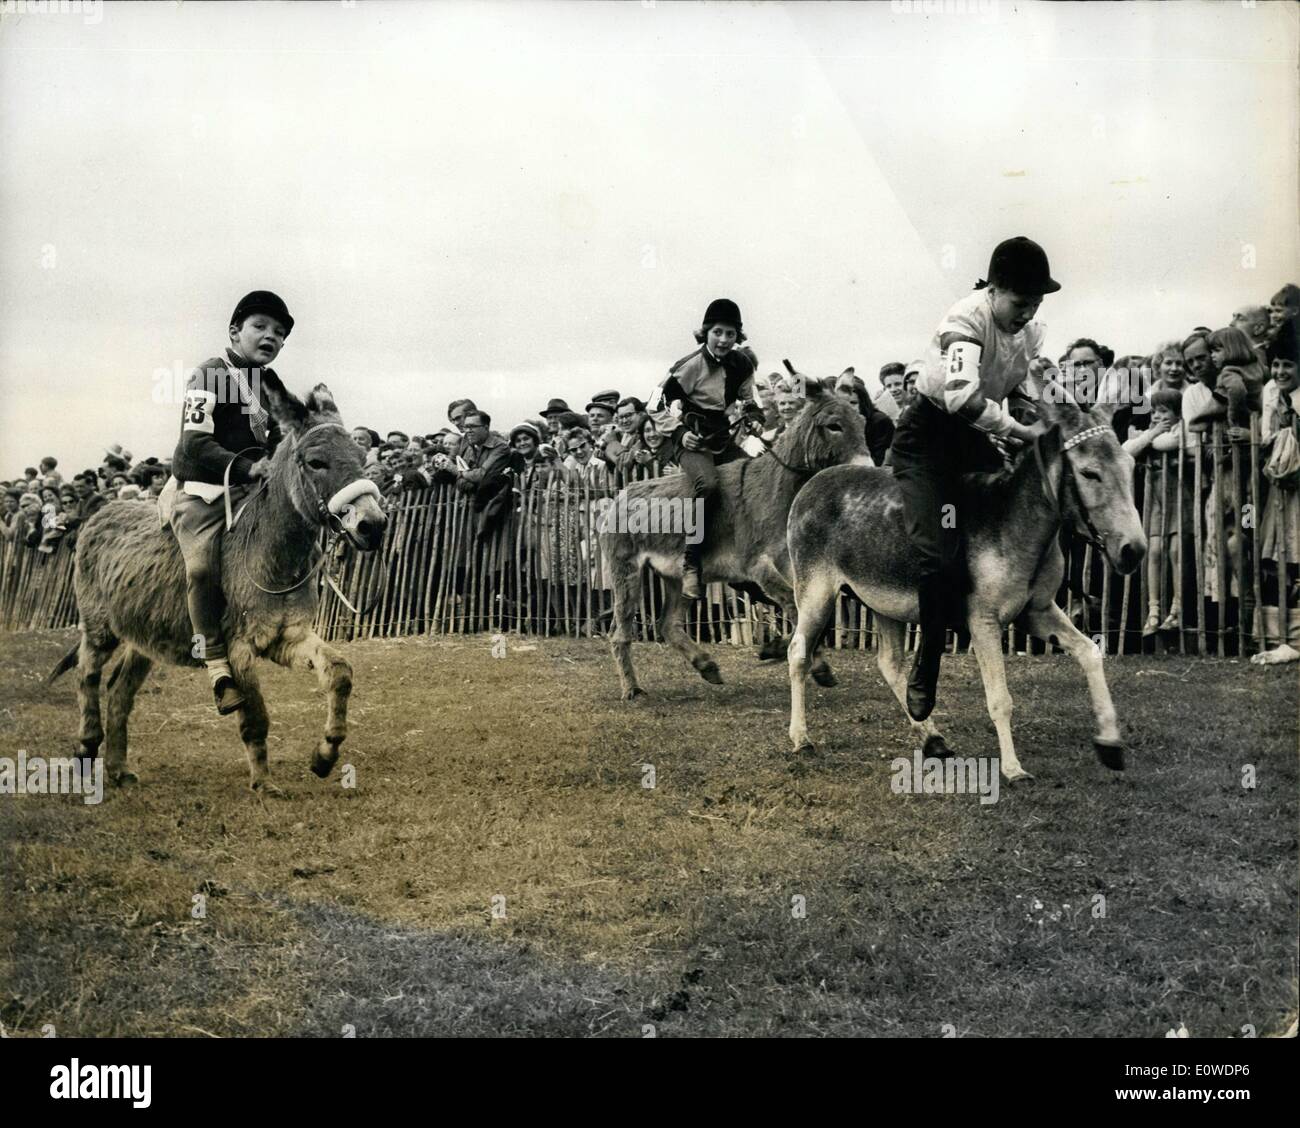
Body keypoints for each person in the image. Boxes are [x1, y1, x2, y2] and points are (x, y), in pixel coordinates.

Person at [892, 236, 1056, 722]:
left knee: (1022, 512)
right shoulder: (964, 321)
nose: (1028, 313)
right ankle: (927, 661)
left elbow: (1022, 382)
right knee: (941, 555)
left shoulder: (1029, 330)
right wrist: (1020, 430)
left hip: (970, 438)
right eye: (1021, 302)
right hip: (928, 443)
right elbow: (962, 396)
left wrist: (1043, 410)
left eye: (1037, 304)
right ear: (995, 290)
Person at [165, 289, 293, 715]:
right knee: (200, 570)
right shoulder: (210, 374)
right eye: (260, 327)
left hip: (250, 491)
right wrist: (247, 468)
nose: (270, 337)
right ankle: (216, 665)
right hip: (203, 489)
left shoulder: (271, 386)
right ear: (236, 331)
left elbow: (280, 441)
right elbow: (195, 442)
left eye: (279, 333)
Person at [645, 298, 763, 600]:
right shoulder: (687, 366)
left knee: (755, 478)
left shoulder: (743, 364)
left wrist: (754, 418)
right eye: (718, 333)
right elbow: (653, 405)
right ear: (706, 333)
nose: (724, 340)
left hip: (722, 439)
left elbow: (750, 401)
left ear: (738, 337)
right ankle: (692, 562)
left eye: (730, 334)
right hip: (691, 440)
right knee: (707, 484)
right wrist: (680, 433)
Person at [1254, 328, 1300, 664]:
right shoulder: (1275, 397)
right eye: (1276, 365)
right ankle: (1284, 637)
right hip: (1283, 488)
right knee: (1283, 555)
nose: (1281, 372)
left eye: (1289, 365)